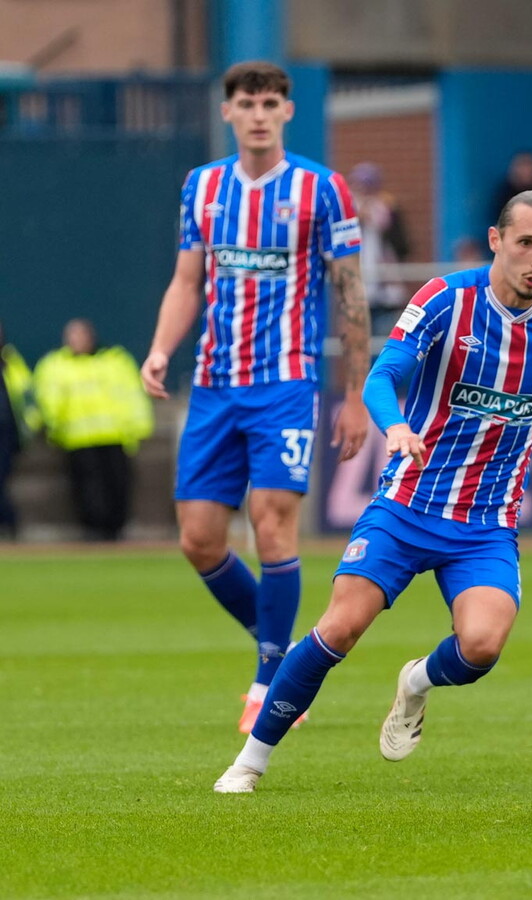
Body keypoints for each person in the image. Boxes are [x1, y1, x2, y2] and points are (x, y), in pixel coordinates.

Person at [212, 191, 532, 793]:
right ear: (496, 240)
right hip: (407, 507)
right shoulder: (443, 300)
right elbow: (385, 375)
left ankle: (417, 683)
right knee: (339, 630)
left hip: (485, 522)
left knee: (482, 647)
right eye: (527, 243)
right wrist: (397, 425)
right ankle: (250, 761)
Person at [139, 61, 371, 730]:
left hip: (286, 384)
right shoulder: (203, 187)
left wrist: (352, 395)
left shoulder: (322, 189)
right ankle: (282, 647)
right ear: (228, 112)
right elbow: (188, 281)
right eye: (248, 103)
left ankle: (270, 682)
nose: (260, 113)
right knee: (200, 540)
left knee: (271, 522)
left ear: (288, 112)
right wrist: (160, 348)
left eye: (271, 102)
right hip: (214, 384)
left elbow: (349, 295)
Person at [33, 319, 152, 541]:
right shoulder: (55, 365)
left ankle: (116, 529)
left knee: (118, 484)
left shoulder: (115, 361)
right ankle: (94, 531)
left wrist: (138, 428)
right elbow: (48, 400)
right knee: (87, 489)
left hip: (114, 435)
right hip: (77, 439)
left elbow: (132, 396)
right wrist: (53, 428)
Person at [349, 162, 412, 332]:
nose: (364, 192)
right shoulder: (346, 212)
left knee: (387, 335)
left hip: (387, 287)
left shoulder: (387, 209)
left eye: (368, 187)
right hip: (359, 284)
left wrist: (384, 218)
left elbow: (403, 246)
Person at [0, 320, 39, 540]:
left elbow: (27, 396)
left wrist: (27, 429)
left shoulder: (11, 362)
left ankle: (9, 524)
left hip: (6, 434)